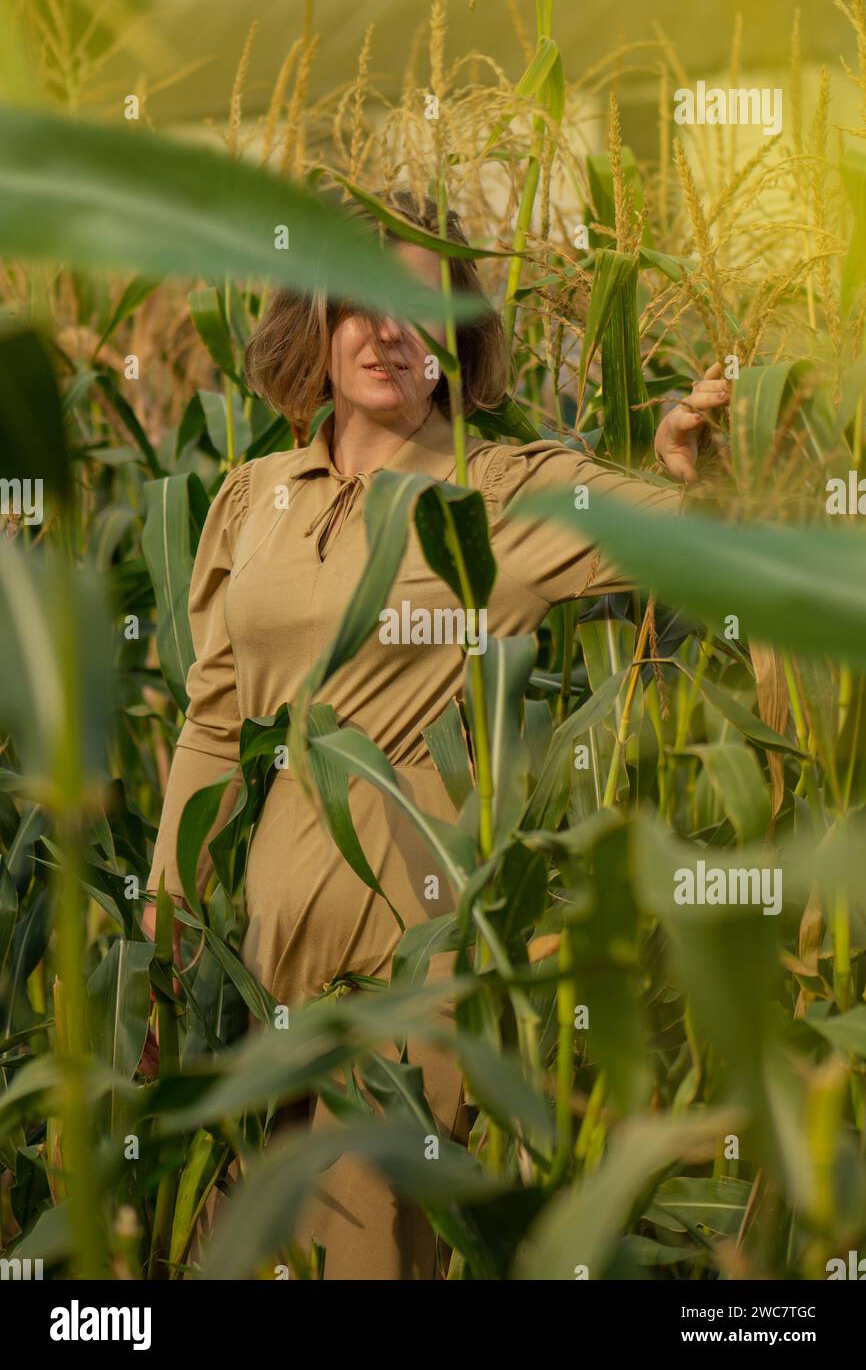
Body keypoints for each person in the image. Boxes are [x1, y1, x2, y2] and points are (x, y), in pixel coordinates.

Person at [142, 188, 729, 1279]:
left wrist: (687, 467)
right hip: (255, 1002)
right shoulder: (248, 496)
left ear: (457, 337)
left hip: (407, 1009)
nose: (385, 330)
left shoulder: (496, 497)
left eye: (416, 307)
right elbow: (215, 728)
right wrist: (164, 942)